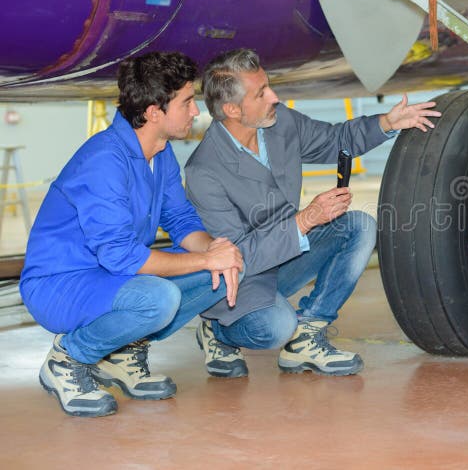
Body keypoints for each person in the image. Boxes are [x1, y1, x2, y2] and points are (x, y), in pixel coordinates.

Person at [184, 48, 440, 377]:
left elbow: (337, 139)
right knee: (275, 327)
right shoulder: (204, 171)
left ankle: (306, 336)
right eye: (262, 93)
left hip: (288, 255)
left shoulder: (281, 123)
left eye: (269, 85)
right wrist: (306, 220)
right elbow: (238, 256)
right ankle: (217, 331)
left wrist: (387, 123)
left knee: (358, 226)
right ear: (232, 109)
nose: (274, 97)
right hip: (243, 279)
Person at [20, 52, 243, 418]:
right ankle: (69, 359)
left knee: (222, 270)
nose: (195, 112)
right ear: (155, 111)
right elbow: (122, 256)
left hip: (108, 275)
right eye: (187, 102)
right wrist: (206, 257)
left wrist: (216, 250)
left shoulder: (160, 151)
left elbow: (181, 219)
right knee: (158, 298)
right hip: (59, 284)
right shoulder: (105, 160)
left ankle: (122, 351)